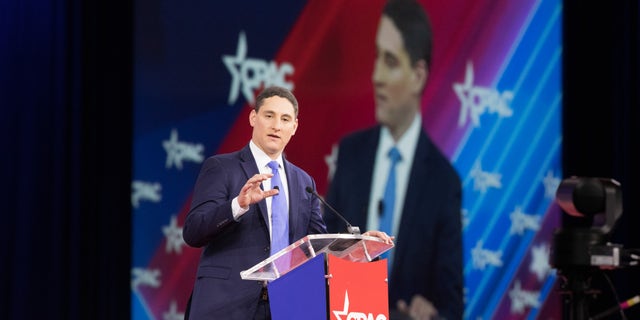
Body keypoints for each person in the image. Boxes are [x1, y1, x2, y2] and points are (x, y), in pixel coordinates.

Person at [183, 86, 393, 320]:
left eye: (285, 119)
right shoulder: (222, 167)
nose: (276, 126)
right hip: (227, 306)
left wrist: (359, 244)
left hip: (285, 306)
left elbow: (318, 247)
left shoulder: (304, 181)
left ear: (294, 127)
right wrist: (238, 205)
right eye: (269, 116)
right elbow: (193, 231)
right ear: (254, 118)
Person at [325, 0, 463, 319]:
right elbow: (323, 255)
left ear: (417, 76)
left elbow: (452, 306)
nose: (376, 76)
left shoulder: (444, 182)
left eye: (390, 61)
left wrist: (431, 314)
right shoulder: (350, 154)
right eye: (376, 57)